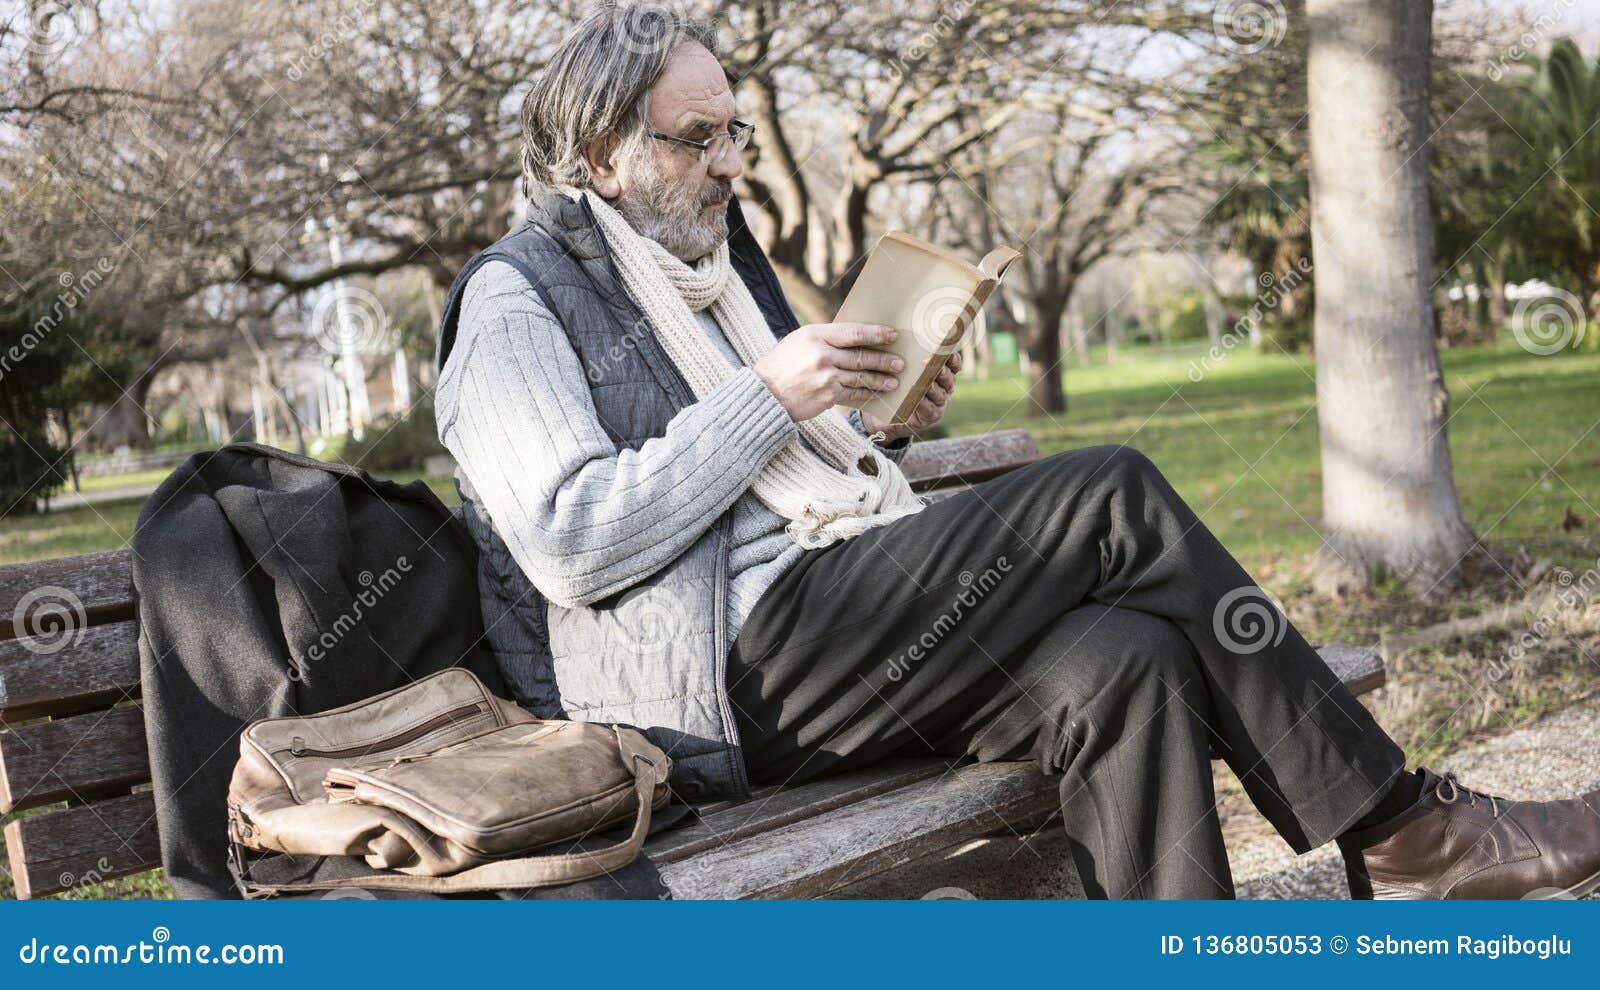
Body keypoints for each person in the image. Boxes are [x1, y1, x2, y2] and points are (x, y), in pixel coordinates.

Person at [433, 2, 1600, 899]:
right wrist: (768, 397)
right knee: (1112, 493)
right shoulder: (510, 303)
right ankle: (1408, 828)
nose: (733, 164)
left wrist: (878, 419)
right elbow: (572, 540)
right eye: (701, 140)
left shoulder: (711, 271)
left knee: (1121, 655)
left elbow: (788, 464)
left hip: (834, 624)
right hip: (704, 685)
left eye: (736, 133)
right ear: (599, 153)